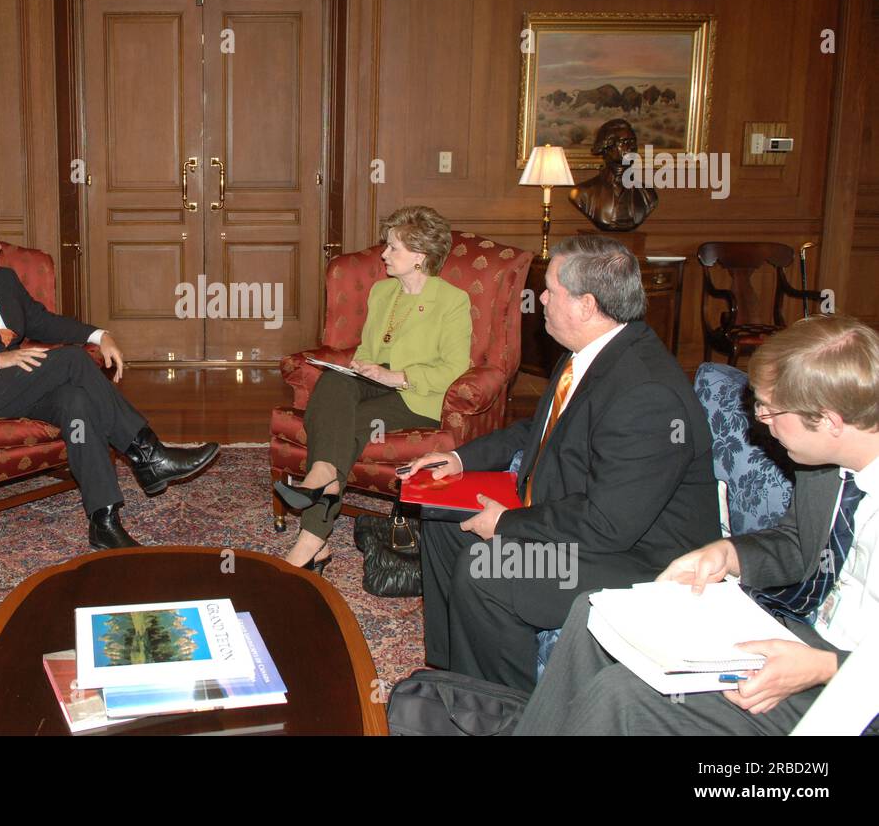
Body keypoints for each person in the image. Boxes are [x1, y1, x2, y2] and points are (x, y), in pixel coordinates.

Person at [516, 314, 879, 735]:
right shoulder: (826, 469)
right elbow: (799, 544)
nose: (760, 420)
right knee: (594, 611)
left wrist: (823, 667)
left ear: (831, 421)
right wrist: (728, 553)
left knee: (624, 696)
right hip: (796, 633)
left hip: (852, 686)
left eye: (770, 410)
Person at [406, 234, 719, 691]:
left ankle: (506, 711)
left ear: (587, 305)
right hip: (584, 512)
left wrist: (511, 524)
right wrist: (458, 457)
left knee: (486, 571)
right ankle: (458, 677)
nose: (542, 299)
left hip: (642, 563)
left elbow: (609, 524)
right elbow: (540, 426)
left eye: (551, 290)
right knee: (442, 520)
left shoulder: (647, 395)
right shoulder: (591, 354)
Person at [0, 203, 220, 549]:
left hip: (23, 385)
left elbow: (41, 322)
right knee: (71, 360)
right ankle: (147, 453)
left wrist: (99, 334)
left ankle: (104, 520)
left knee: (77, 401)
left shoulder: (2, 278)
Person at [274, 206, 471, 573]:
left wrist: (395, 376)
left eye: (393, 248)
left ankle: (311, 540)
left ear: (419, 256)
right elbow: (369, 350)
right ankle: (324, 477)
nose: (383, 254)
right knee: (334, 379)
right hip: (373, 383)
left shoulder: (452, 301)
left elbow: (453, 370)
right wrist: (364, 366)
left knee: (339, 426)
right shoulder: (382, 292)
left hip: (415, 396)